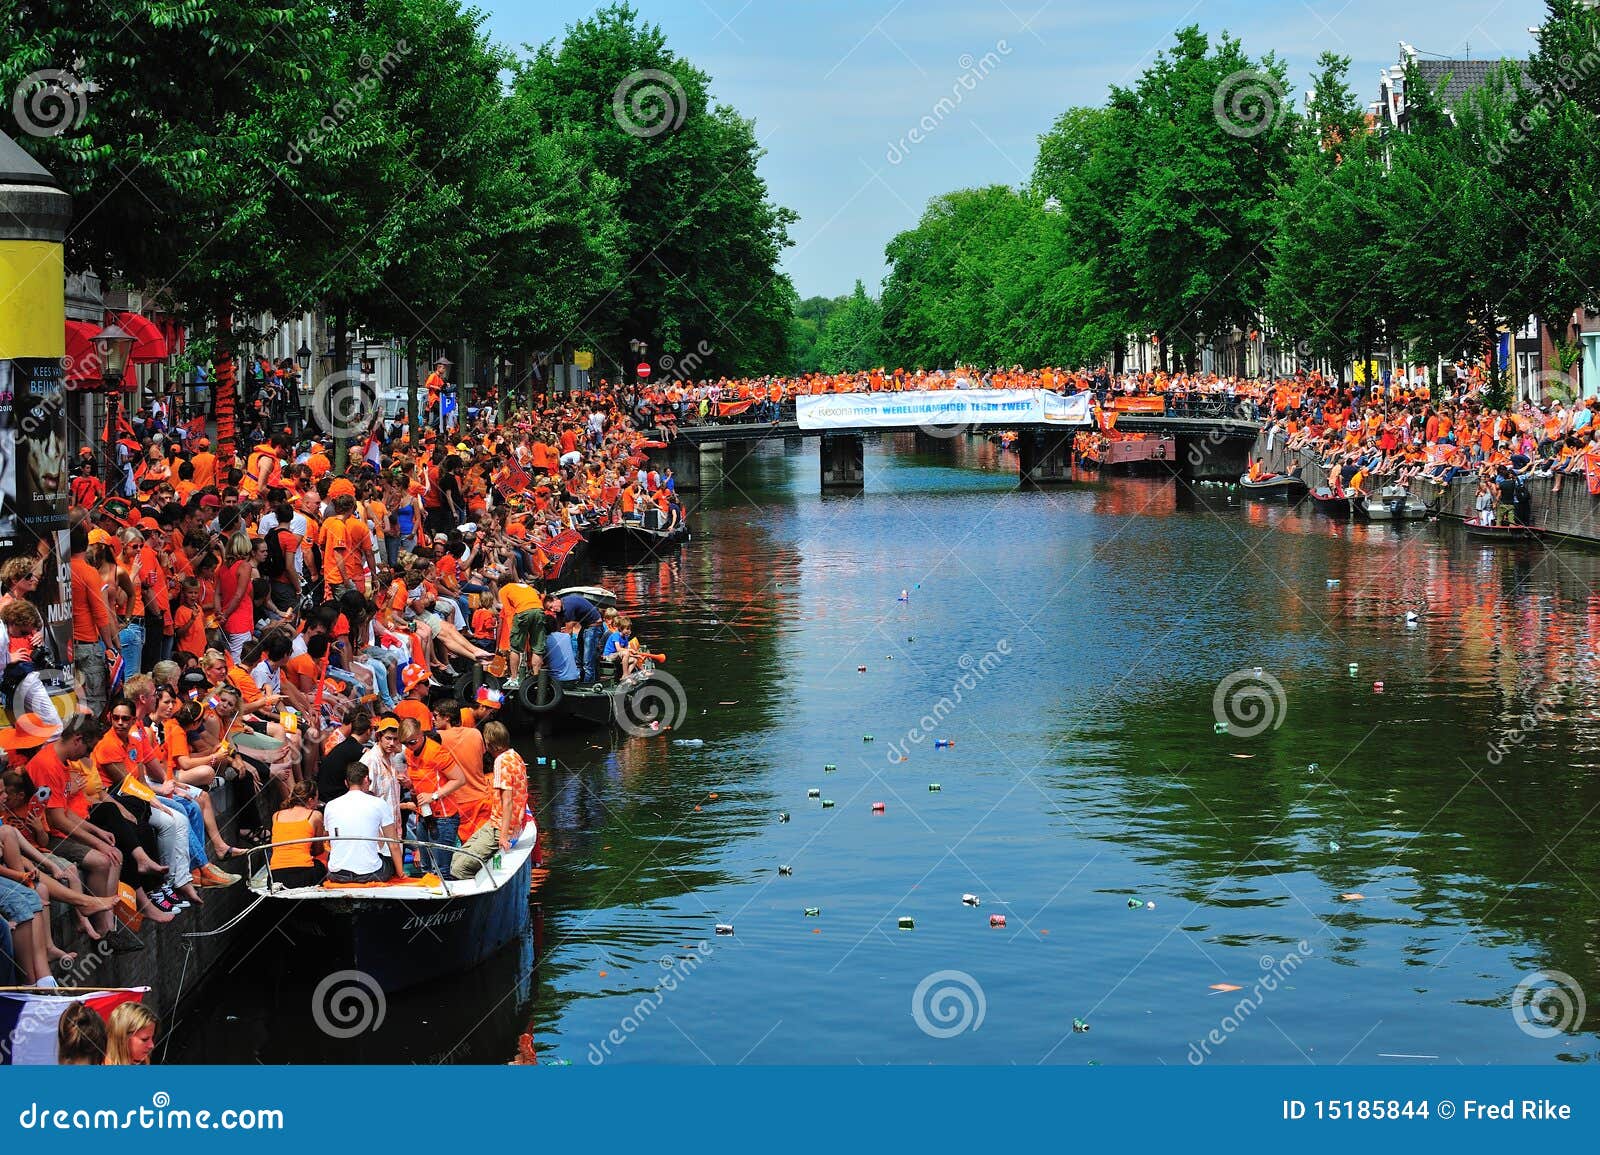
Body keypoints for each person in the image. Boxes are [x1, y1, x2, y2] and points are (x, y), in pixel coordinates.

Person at [453, 720, 530, 879]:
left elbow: (507, 801)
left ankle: (476, 893)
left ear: (489, 744)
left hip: (501, 827)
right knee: (456, 857)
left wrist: (503, 836)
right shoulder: (516, 756)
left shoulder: (501, 761)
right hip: (497, 823)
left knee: (458, 869)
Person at [323, 763, 402, 883]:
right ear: (366, 779)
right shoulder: (378, 803)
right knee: (388, 860)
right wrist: (401, 874)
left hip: (337, 874)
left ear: (346, 782)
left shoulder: (330, 805)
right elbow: (394, 844)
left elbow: (330, 840)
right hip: (370, 874)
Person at [267, 781, 327, 888]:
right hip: (304, 873)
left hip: (276, 874)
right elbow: (319, 850)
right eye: (317, 799)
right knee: (324, 857)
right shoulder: (315, 815)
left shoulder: (276, 815)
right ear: (310, 800)